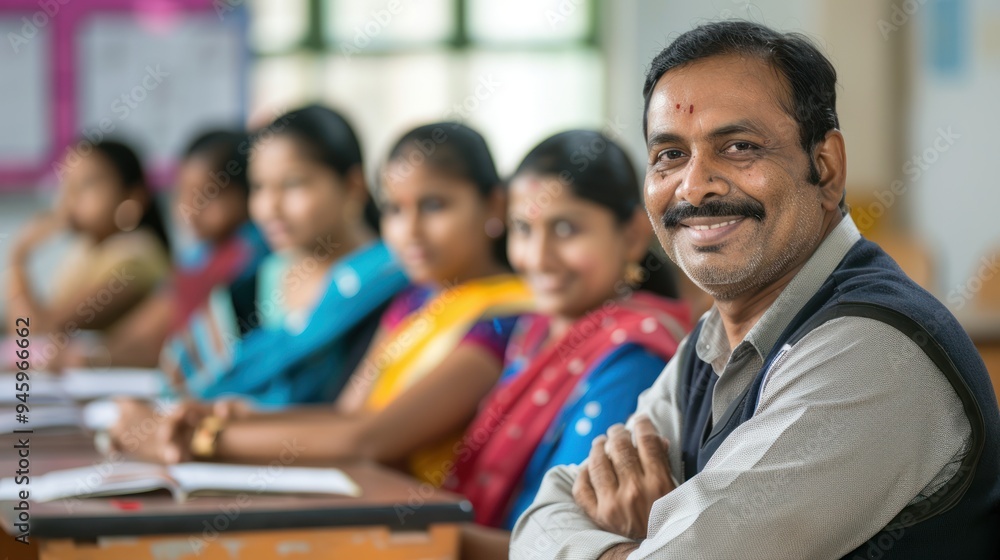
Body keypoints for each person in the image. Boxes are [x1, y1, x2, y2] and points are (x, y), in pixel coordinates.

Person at [511, 21, 1000, 560]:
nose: (695, 186)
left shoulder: (873, 352)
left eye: (739, 147)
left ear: (826, 167)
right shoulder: (714, 340)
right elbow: (544, 512)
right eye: (669, 155)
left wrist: (637, 542)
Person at [110, 122, 534, 481]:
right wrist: (225, 419)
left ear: (494, 205)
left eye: (435, 206)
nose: (410, 230)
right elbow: (346, 415)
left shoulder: (505, 317)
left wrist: (193, 442)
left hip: (419, 522)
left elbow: (370, 438)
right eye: (395, 209)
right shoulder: (415, 301)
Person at [451, 130, 690, 560]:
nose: (538, 256)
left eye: (565, 229)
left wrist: (427, 541)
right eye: (522, 228)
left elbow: (565, 543)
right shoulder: (532, 332)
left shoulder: (632, 358)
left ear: (634, 234)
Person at [157, 105, 407, 406]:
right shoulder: (258, 281)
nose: (269, 207)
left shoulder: (391, 281)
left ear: (352, 186)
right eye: (259, 187)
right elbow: (181, 376)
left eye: (292, 184)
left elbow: (357, 418)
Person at [59, 130, 270, 369]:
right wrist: (95, 354)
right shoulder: (199, 256)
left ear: (247, 193)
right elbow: (143, 330)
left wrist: (94, 357)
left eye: (208, 193)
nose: (190, 206)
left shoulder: (253, 256)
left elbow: (160, 345)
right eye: (183, 192)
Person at [6, 140, 171, 346]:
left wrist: (18, 258)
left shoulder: (137, 258)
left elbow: (35, 333)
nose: (70, 198)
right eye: (67, 185)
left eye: (86, 184)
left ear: (132, 197)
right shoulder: (85, 252)